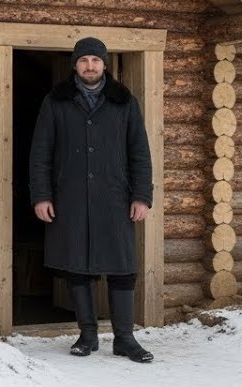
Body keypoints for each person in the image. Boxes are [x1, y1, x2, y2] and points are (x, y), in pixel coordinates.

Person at [29, 37, 155, 363]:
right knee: (77, 268)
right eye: (84, 60)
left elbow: (140, 153)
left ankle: (125, 339)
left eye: (95, 61)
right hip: (69, 197)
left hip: (115, 197)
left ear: (104, 64)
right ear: (75, 64)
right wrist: (41, 195)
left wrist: (142, 196)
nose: (90, 66)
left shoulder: (124, 102)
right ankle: (87, 335)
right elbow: (40, 154)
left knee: (122, 268)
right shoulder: (55, 102)